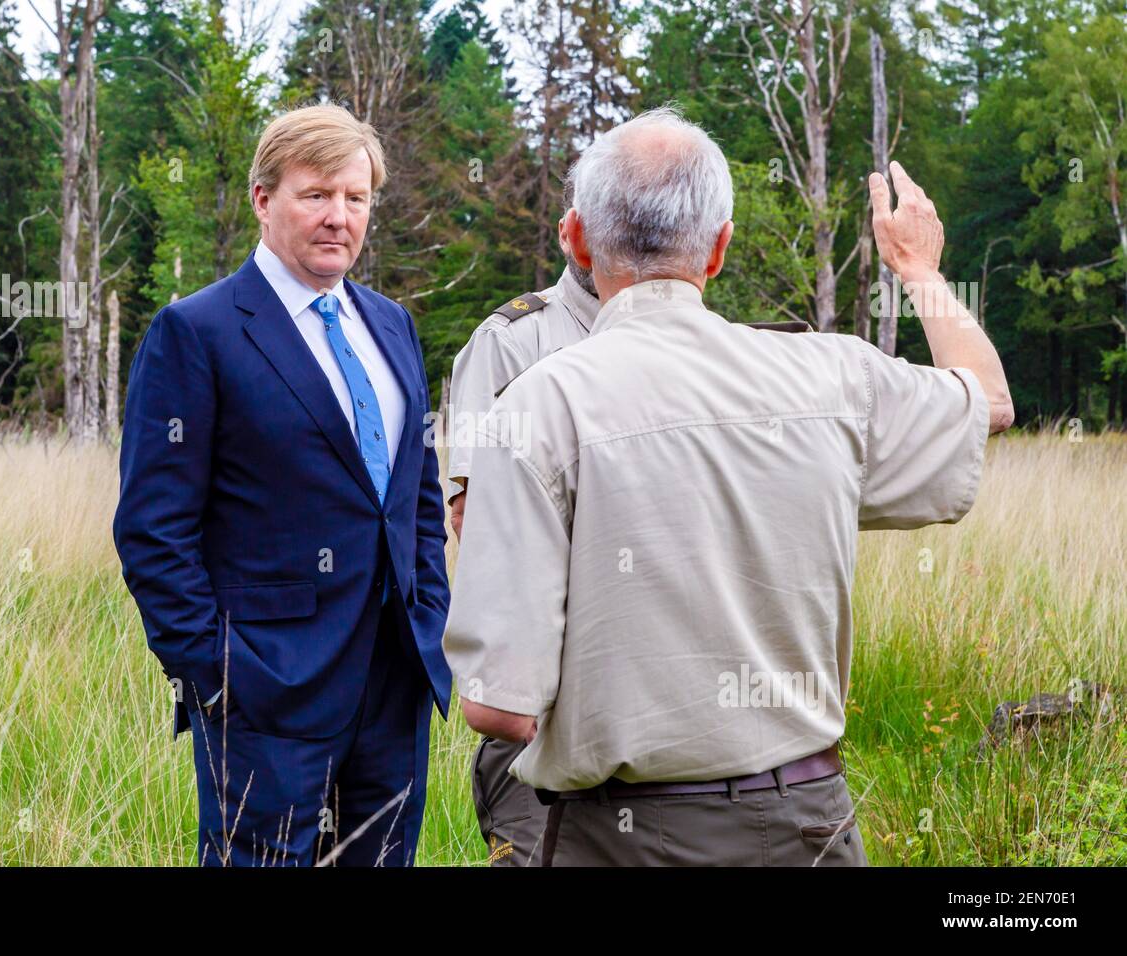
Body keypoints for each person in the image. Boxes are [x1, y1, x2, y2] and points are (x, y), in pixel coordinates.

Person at [443, 106, 1013, 866]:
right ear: (719, 248)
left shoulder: (537, 408)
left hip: (616, 837)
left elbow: (497, 708)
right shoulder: (832, 375)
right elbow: (989, 402)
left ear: (577, 237)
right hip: (807, 826)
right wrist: (920, 272)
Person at [113, 104, 451, 867]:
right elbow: (152, 531)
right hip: (264, 699)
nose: (339, 217)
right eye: (317, 195)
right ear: (264, 200)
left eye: (356, 198)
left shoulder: (392, 325)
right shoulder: (196, 332)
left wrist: (428, 610)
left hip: (394, 688)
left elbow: (415, 499)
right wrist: (219, 677)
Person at [446, 185, 601, 866]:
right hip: (542, 695)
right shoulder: (515, 338)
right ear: (575, 233)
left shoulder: (693, 343)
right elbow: (472, 512)